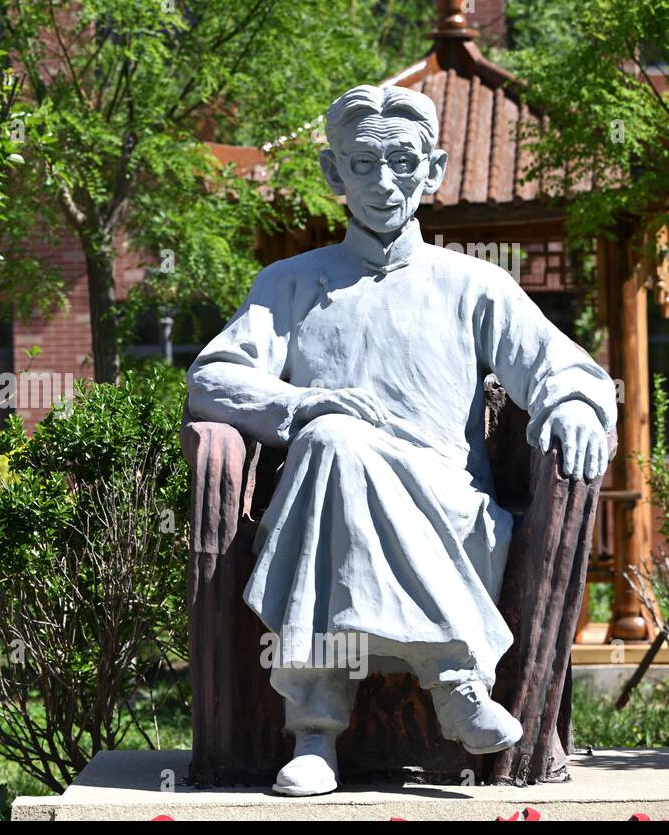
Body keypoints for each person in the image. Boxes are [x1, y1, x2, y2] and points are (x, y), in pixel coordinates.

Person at [186, 84, 616, 796]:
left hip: (448, 523)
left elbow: (566, 369)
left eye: (403, 163)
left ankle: (317, 725)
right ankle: (454, 679)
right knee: (331, 442)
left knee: (332, 445)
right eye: (362, 164)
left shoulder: (474, 285)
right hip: (320, 527)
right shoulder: (289, 285)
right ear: (333, 173)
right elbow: (213, 379)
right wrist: (304, 403)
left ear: (436, 168)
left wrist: (572, 402)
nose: (384, 183)